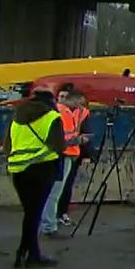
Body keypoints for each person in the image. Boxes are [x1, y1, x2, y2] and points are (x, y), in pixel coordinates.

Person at [6, 89, 65, 268]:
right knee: (34, 213)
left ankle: (25, 253)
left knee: (30, 213)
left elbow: (8, 144)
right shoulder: (52, 116)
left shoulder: (17, 117)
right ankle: (30, 256)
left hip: (18, 170)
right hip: (42, 169)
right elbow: (58, 145)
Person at [48, 87, 90, 229]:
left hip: (71, 154)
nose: (81, 105)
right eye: (79, 102)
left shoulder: (77, 112)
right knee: (55, 192)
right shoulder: (59, 111)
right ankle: (50, 224)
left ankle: (55, 218)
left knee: (62, 189)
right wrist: (76, 141)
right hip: (63, 154)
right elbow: (62, 137)